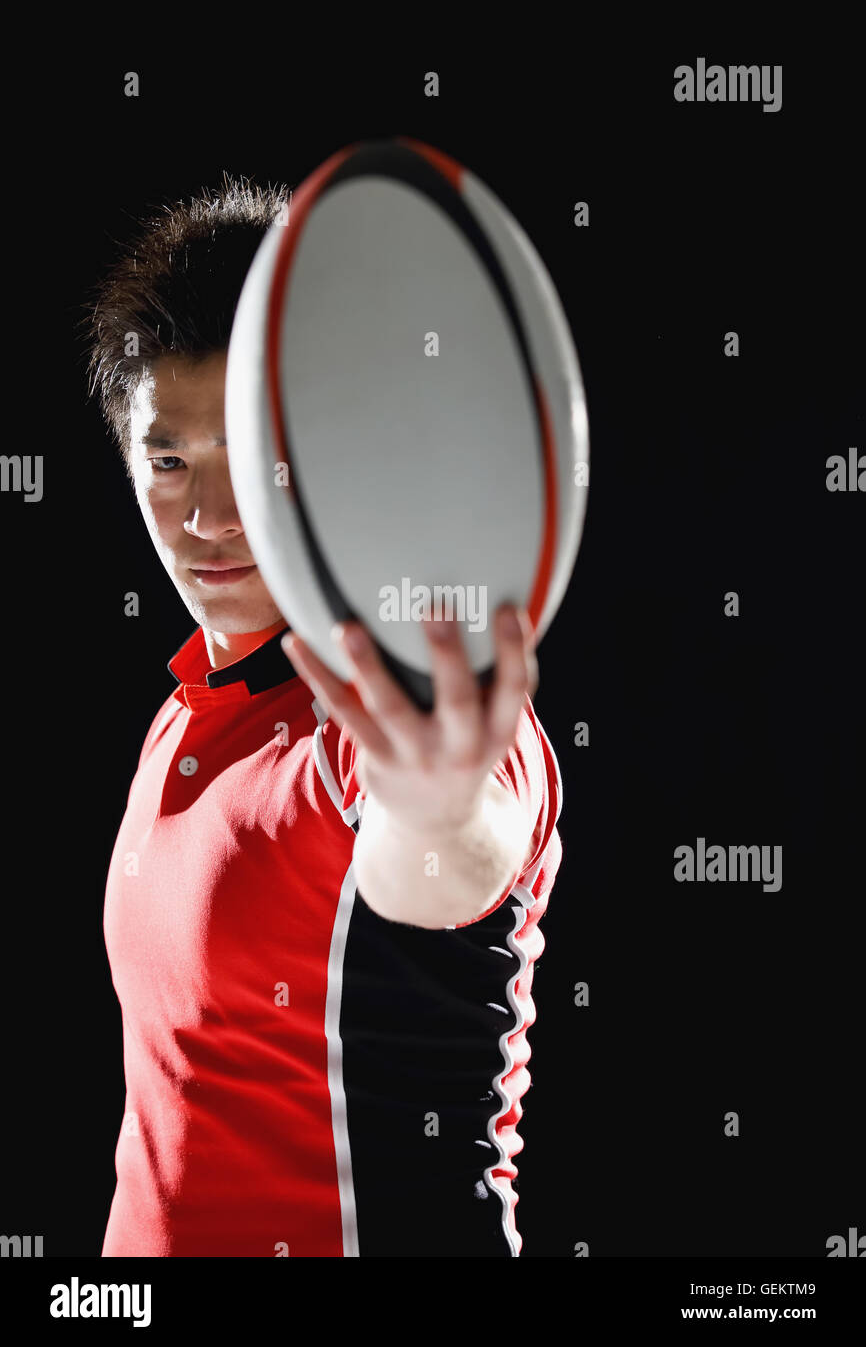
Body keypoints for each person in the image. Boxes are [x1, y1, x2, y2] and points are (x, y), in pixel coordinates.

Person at [84, 172, 564, 1257]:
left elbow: (450, 856)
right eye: (168, 462)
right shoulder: (180, 720)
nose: (207, 516)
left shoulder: (394, 714)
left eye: (257, 460)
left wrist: (438, 811)